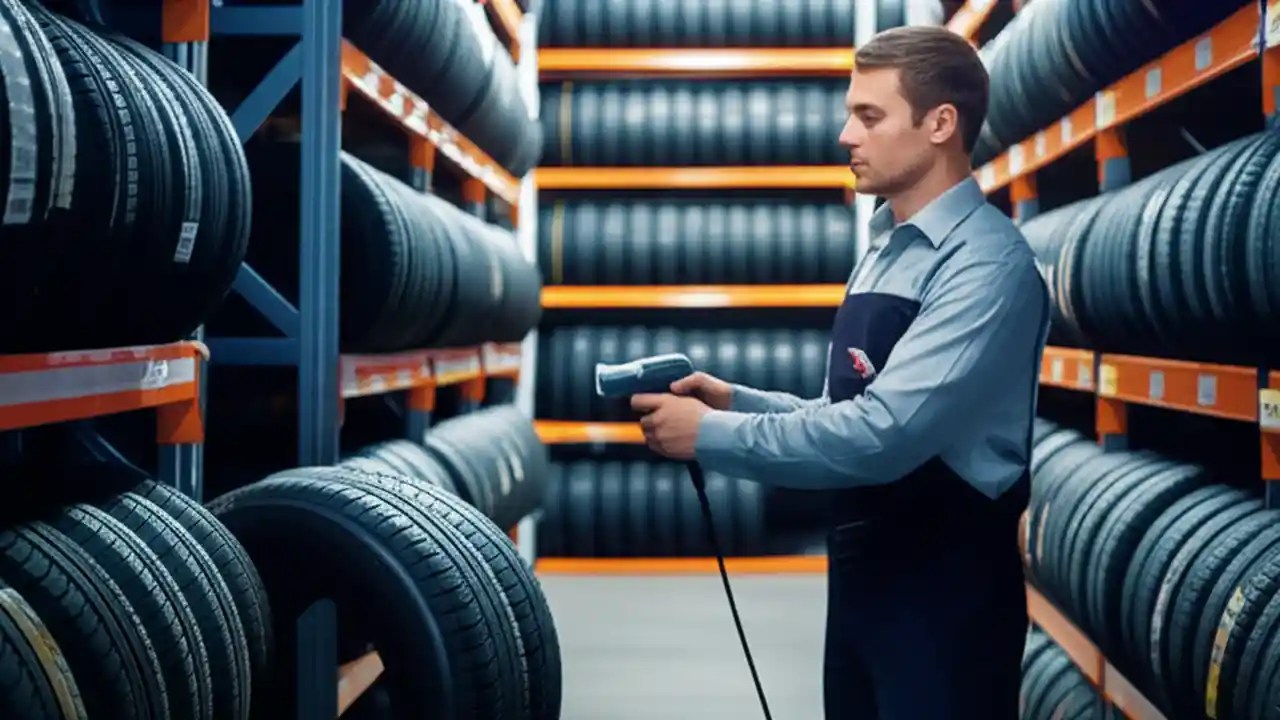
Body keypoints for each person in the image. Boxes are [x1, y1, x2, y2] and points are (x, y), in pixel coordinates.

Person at [630, 25, 1051, 719]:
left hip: (944, 604)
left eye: (869, 116)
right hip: (864, 583)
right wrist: (735, 402)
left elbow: (883, 435)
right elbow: (841, 411)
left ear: (940, 124)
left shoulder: (986, 267)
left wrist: (708, 436)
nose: (844, 135)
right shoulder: (884, 249)